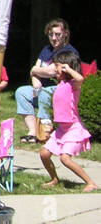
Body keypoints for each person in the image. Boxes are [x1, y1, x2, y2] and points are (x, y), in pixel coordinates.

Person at [15, 19, 79, 143]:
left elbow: (52, 71)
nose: (54, 38)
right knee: (21, 92)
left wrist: (35, 70)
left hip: (61, 90)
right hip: (41, 87)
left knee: (45, 93)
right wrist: (35, 80)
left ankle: (45, 132)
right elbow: (35, 70)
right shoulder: (47, 50)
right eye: (51, 35)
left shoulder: (69, 52)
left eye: (57, 34)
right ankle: (32, 132)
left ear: (65, 33)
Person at [40, 51, 96, 190]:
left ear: (65, 67)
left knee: (65, 158)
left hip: (73, 129)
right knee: (44, 154)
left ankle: (91, 183)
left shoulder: (73, 85)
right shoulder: (60, 84)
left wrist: (68, 69)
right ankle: (54, 179)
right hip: (61, 129)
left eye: (57, 66)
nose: (55, 68)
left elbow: (81, 79)